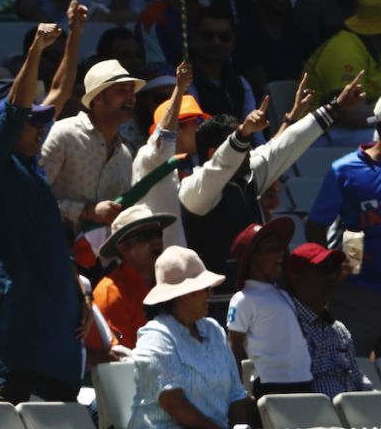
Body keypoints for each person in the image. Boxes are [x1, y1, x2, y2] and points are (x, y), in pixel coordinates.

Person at [0, 22, 84, 403]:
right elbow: (15, 112)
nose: (40, 128)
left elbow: (57, 244)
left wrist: (80, 299)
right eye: (31, 123)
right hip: (25, 325)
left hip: (61, 328)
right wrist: (36, 50)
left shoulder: (35, 174)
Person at [180, 75, 364, 279]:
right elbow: (221, 165)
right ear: (214, 153)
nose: (249, 153)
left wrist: (336, 107)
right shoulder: (192, 190)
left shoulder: (247, 177)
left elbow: (284, 147)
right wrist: (242, 134)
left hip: (252, 293)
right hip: (209, 303)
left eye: (248, 146)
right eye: (242, 147)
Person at [127, 247, 253, 429]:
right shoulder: (155, 336)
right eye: (206, 289)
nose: (211, 294)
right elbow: (174, 404)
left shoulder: (214, 330)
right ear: (185, 295)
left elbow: (236, 394)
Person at [40, 58, 145, 233]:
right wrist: (87, 211)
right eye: (121, 90)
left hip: (99, 258)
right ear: (97, 97)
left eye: (131, 91)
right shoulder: (64, 134)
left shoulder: (124, 155)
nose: (130, 97)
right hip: (52, 249)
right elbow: (32, 196)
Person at [306, 112, 381, 356]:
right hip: (358, 291)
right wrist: (328, 274)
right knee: (352, 369)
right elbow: (316, 224)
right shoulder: (346, 169)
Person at [226, 219, 311, 397]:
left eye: (280, 248)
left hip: (304, 383)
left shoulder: (284, 295)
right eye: (272, 249)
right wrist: (239, 393)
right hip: (271, 387)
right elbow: (234, 351)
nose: (281, 253)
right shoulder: (242, 299)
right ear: (253, 258)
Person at [131, 66, 206, 249]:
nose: (201, 128)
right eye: (196, 122)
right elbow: (164, 138)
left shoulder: (196, 165)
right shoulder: (150, 158)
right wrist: (179, 89)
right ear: (178, 127)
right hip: (159, 260)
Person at [286, 242, 373, 397]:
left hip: (355, 416)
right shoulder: (288, 326)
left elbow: (359, 381)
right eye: (323, 271)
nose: (332, 277)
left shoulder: (339, 330)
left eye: (334, 270)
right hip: (317, 418)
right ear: (296, 278)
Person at [95, 205, 175, 351]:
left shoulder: (172, 281)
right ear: (123, 248)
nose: (157, 240)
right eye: (146, 236)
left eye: (158, 233)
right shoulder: (111, 293)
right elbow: (122, 359)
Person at [305, 0, 381, 140]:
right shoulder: (344, 48)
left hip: (358, 130)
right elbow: (351, 114)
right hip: (320, 136)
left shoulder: (374, 48)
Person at [188, 5, 255, 118]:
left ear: (234, 41)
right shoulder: (183, 83)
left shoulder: (241, 84)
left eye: (224, 37)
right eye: (208, 36)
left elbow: (256, 134)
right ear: (195, 38)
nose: (216, 42)